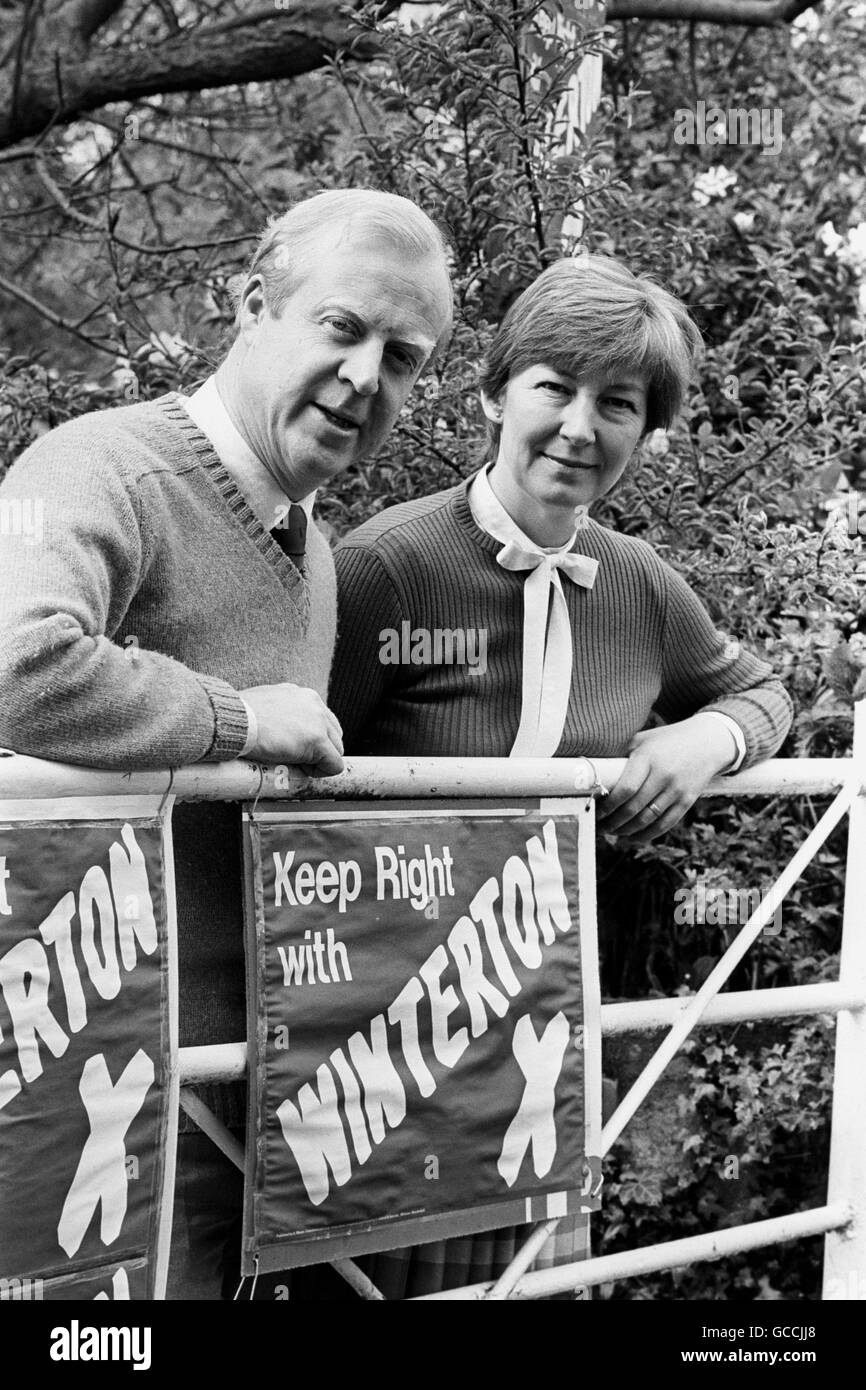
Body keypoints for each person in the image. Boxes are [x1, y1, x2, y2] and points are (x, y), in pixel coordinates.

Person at [0, 187, 453, 1299]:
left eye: (401, 358)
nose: (364, 380)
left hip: (249, 1100)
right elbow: (13, 662)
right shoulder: (101, 466)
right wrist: (237, 719)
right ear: (251, 303)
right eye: (343, 329)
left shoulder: (322, 552)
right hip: (90, 1108)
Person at [329, 253, 793, 1295]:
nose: (580, 427)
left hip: (542, 1032)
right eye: (553, 388)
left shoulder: (636, 584)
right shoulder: (385, 566)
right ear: (494, 395)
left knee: (536, 1287)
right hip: (377, 1042)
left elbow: (761, 690)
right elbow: (291, 778)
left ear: (644, 430)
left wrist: (693, 742)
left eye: (617, 403)